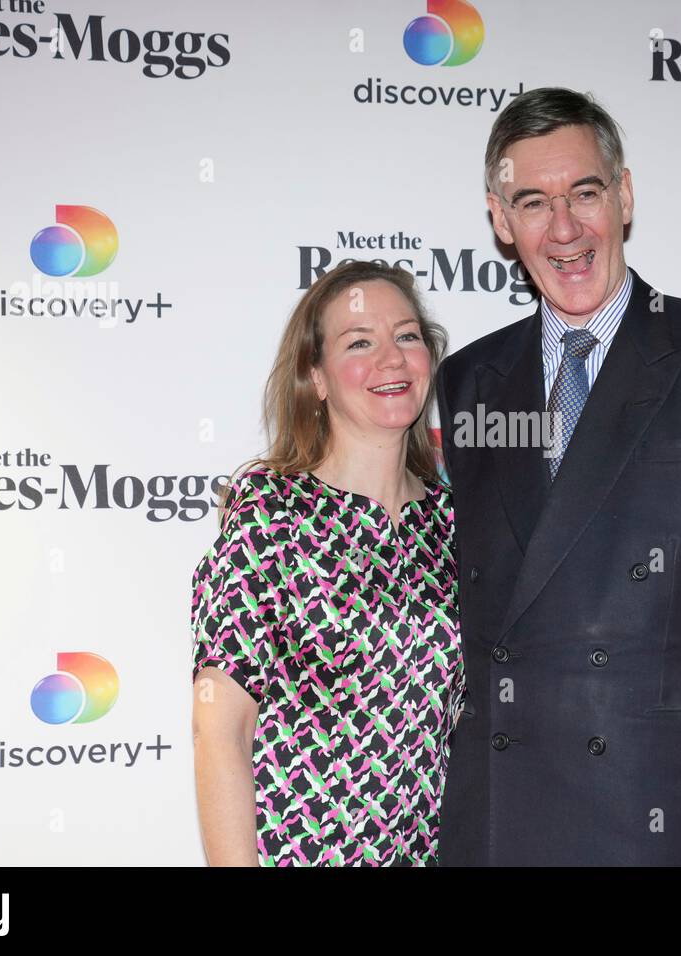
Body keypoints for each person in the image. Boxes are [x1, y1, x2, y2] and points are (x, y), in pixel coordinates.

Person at [434, 87, 681, 865]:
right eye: (533, 203)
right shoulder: (468, 380)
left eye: (585, 192)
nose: (566, 228)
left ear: (624, 195)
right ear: (500, 220)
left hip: (680, 801)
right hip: (511, 814)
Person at [190, 260, 464, 866]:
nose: (392, 359)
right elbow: (220, 730)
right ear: (315, 377)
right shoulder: (271, 516)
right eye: (360, 343)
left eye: (408, 336)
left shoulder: (456, 525)